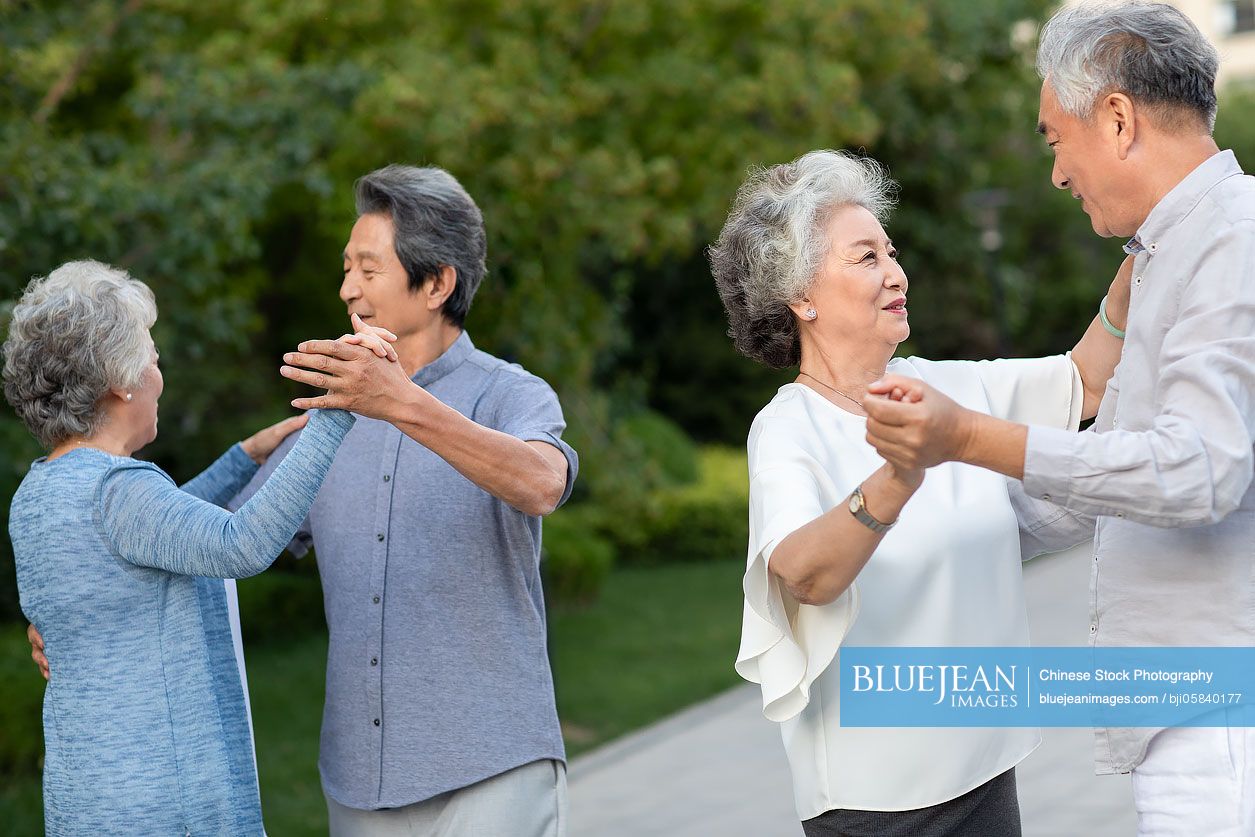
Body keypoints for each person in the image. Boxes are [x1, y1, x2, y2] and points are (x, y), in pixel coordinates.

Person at [861, 4, 1255, 834]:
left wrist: (966, 437)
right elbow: (1099, 482)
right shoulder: (1171, 252)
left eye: (1051, 139)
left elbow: (1197, 472)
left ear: (1115, 118)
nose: (1054, 173)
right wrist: (896, 524)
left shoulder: (1233, 238)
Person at [710, 149, 1129, 836]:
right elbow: (803, 573)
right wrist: (900, 476)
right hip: (877, 804)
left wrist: (1136, 268)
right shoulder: (788, 428)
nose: (895, 272)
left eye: (890, 251)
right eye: (865, 257)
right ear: (800, 295)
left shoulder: (947, 387)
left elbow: (1083, 380)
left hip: (986, 770)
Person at [239, 164, 577, 836]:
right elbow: (218, 543)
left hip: (495, 765)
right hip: (358, 783)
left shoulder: (512, 395)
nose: (346, 289)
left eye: (367, 269)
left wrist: (401, 403)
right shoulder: (327, 419)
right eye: (346, 269)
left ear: (436, 283)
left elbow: (541, 484)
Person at [2, 260, 372, 834]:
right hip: (166, 803)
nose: (157, 371)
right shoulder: (120, 490)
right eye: (150, 356)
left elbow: (149, 547)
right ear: (119, 381)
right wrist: (338, 412)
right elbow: (240, 545)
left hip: (87, 798)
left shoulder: (38, 494)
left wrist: (243, 457)